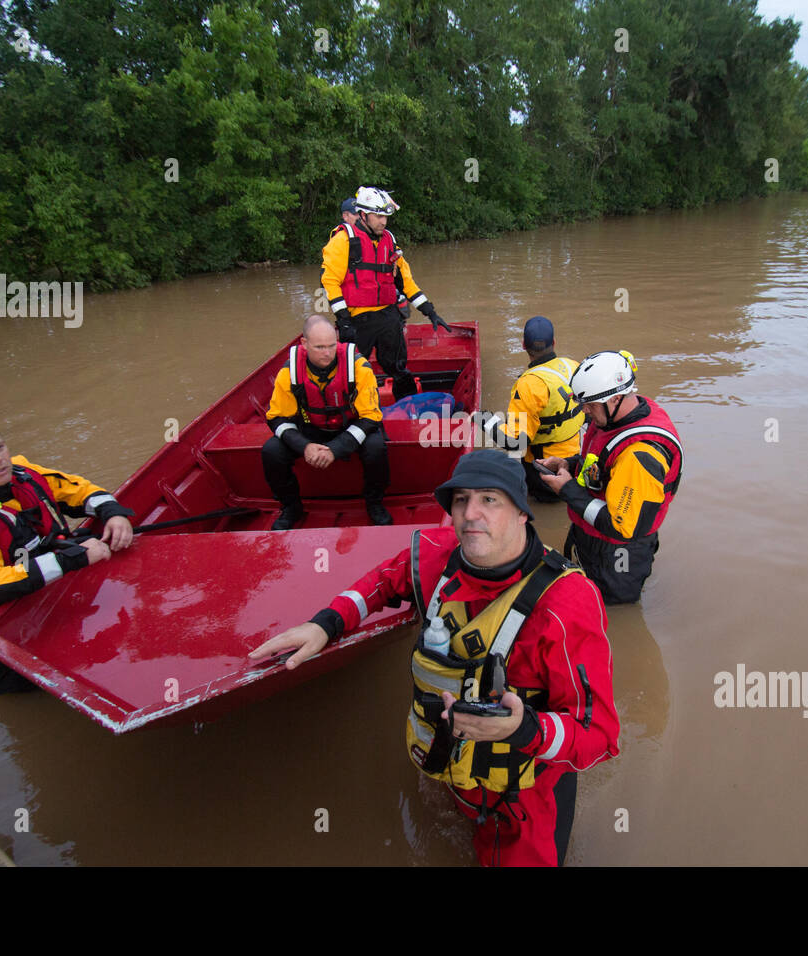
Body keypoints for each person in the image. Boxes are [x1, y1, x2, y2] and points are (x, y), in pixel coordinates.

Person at [249, 449, 619, 866]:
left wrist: (523, 727)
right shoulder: (437, 556)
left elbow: (600, 736)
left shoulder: (568, 603)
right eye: (460, 500)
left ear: (522, 513)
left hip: (525, 801)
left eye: (489, 499)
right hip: (452, 767)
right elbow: (384, 581)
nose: (470, 514)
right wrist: (327, 623)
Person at [0, 415, 135, 695]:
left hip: (59, 599)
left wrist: (112, 512)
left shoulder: (23, 473)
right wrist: (69, 560)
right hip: (7, 637)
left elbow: (77, 490)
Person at [537, 350, 683, 604]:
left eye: (590, 405)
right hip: (592, 540)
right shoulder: (615, 417)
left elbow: (620, 527)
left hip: (616, 557)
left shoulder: (640, 455)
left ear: (615, 399)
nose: (585, 412)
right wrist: (568, 465)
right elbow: (601, 464)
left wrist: (567, 490)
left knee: (607, 609)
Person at [320, 186, 450, 400]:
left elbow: (405, 281)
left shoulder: (389, 240)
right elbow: (330, 281)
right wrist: (343, 320)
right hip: (357, 318)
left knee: (399, 368)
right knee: (351, 372)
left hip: (387, 316)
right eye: (378, 216)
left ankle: (407, 407)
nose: (383, 222)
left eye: (386, 217)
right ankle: (353, 412)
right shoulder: (343, 241)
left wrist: (430, 311)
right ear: (363, 215)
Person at [263, 314, 392, 529]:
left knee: (376, 446)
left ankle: (374, 503)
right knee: (272, 450)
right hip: (311, 430)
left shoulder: (359, 367)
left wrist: (335, 448)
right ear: (304, 344)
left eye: (332, 346)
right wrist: (305, 447)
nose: (327, 353)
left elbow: (371, 417)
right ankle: (291, 507)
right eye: (320, 347)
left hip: (352, 426)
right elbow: (277, 419)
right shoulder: (288, 373)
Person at [481, 315, 583, 502]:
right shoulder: (573, 367)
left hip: (543, 473)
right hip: (576, 464)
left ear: (523, 345)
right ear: (554, 342)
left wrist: (486, 422)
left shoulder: (528, 385)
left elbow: (514, 442)